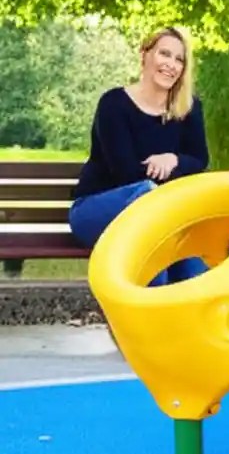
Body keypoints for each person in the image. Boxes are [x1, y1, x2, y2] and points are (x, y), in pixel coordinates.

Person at [68, 26, 209, 286]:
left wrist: (173, 159)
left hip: (159, 220)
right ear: (145, 54)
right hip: (96, 210)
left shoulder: (188, 108)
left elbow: (199, 160)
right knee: (147, 197)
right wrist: (166, 178)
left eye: (179, 59)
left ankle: (195, 307)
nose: (171, 64)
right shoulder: (114, 104)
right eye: (164, 54)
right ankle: (152, 308)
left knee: (186, 255)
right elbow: (125, 172)